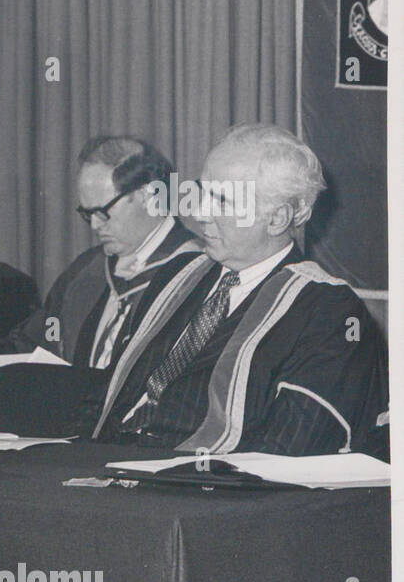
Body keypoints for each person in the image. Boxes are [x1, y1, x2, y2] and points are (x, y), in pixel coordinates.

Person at [91, 124, 388, 455]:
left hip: (200, 489)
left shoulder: (327, 312)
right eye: (202, 192)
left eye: (221, 201)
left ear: (277, 219)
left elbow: (290, 446)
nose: (200, 212)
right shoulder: (176, 276)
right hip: (107, 461)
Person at [0, 136, 200, 367]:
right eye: (87, 214)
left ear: (148, 196)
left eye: (102, 211)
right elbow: (38, 338)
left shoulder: (197, 274)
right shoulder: (87, 270)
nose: (94, 225)